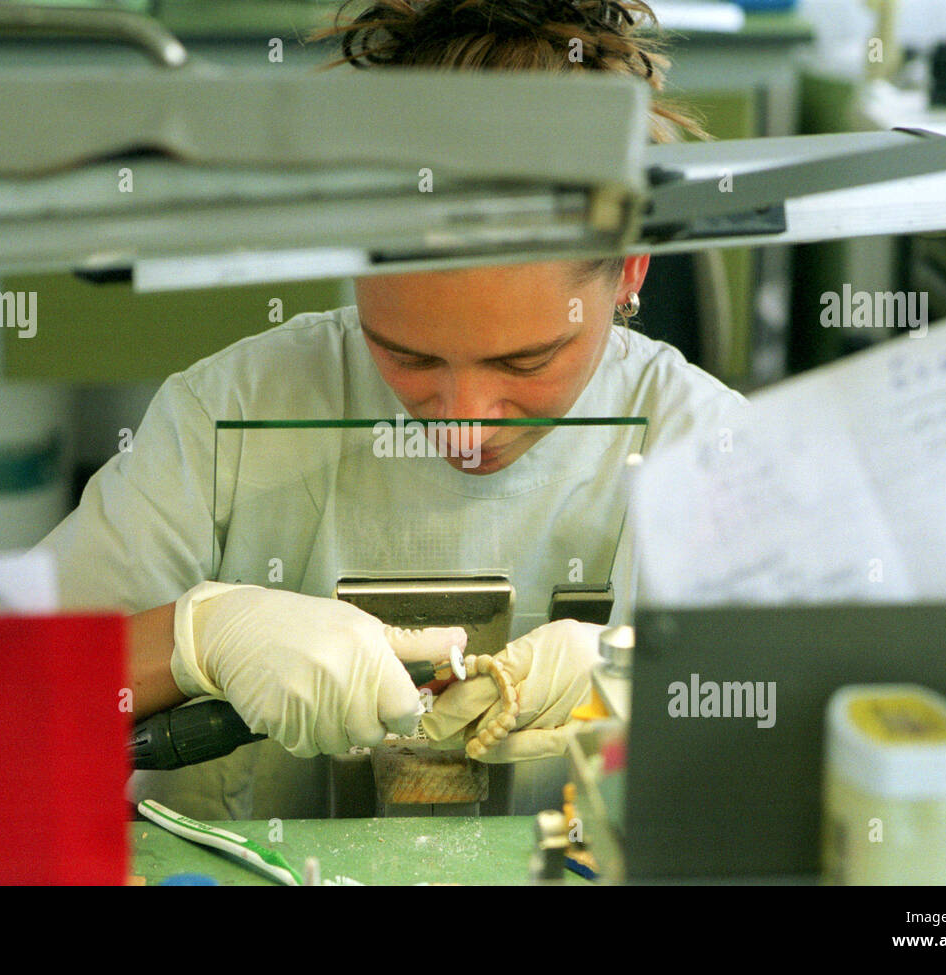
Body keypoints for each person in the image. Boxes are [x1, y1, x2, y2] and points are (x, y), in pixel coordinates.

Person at [37, 0, 746, 820]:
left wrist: (633, 681)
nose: (464, 421)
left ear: (628, 274)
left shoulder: (704, 445)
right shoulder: (228, 418)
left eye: (526, 360)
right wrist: (195, 640)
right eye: (407, 355)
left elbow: (787, 756)